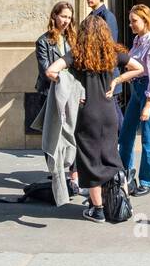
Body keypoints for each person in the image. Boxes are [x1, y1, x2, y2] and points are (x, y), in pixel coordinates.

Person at [46, 14, 145, 223]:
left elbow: (51, 71)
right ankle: (123, 203)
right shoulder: (114, 53)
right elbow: (139, 68)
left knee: (90, 161)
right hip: (109, 112)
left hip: (87, 112)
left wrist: (68, 87)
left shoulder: (77, 54)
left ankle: (98, 209)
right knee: (113, 159)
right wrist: (117, 79)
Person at [119, 4, 150, 197]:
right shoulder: (138, 41)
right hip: (137, 89)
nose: (130, 24)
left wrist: (148, 104)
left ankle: (149, 181)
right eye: (130, 21)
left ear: (146, 21)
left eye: (134, 21)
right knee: (126, 133)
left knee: (149, 137)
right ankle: (124, 173)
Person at [37, 1, 84, 202]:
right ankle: (58, 177)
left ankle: (74, 177)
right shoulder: (44, 41)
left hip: (72, 97)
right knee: (53, 135)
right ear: (54, 16)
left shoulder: (73, 39)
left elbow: (79, 66)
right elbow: (46, 70)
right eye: (63, 16)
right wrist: (67, 81)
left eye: (69, 17)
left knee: (74, 135)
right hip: (51, 95)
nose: (66, 20)